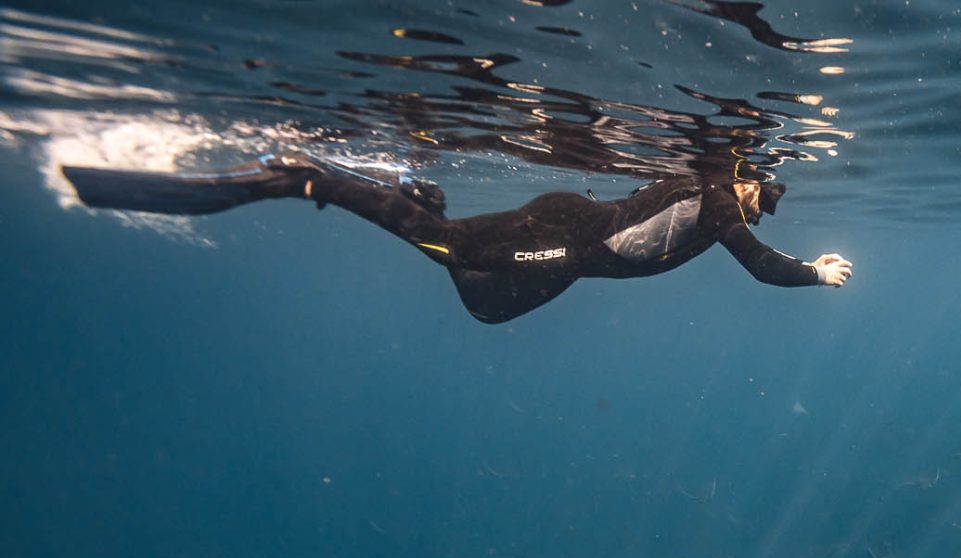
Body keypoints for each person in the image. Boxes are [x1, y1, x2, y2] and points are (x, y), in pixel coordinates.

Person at [60, 153, 853, 323]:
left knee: (485, 307)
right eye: (762, 193)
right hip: (566, 240)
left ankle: (418, 191)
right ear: (743, 174)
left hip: (566, 243)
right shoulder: (719, 202)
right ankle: (308, 180)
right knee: (451, 250)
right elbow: (764, 270)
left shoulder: (708, 192)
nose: (757, 207)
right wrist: (814, 274)